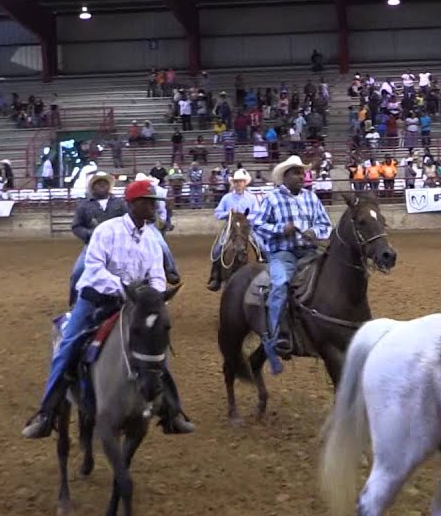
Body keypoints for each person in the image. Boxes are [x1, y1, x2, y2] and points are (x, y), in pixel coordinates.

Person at [22, 179, 193, 439]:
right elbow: (94, 268)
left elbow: (157, 273)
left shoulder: (151, 238)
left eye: (153, 203)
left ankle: (172, 411)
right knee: (68, 346)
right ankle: (47, 413)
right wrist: (124, 288)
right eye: (148, 203)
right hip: (96, 300)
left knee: (156, 346)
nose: (153, 208)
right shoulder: (106, 231)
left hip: (133, 302)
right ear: (132, 204)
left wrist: (153, 298)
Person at [251, 155, 332, 374]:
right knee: (280, 285)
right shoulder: (272, 198)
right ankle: (277, 336)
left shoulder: (311, 198)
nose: (301, 176)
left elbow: (326, 224)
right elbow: (256, 223)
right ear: (284, 177)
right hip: (282, 253)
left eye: (301, 172)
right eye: (295, 173)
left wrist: (313, 231)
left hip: (309, 252)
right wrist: (280, 229)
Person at [67, 172, 128, 306]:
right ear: (92, 187)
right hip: (93, 247)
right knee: (77, 273)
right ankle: (74, 304)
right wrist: (89, 234)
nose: (102, 185)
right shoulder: (83, 205)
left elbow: (128, 222)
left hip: (118, 246)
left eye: (105, 183)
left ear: (109, 186)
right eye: (98, 183)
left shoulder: (120, 203)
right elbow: (76, 226)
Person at [207, 169, 262, 291]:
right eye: (236, 182)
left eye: (241, 182)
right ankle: (215, 277)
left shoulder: (251, 198)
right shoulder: (227, 198)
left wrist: (245, 217)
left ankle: (266, 270)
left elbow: (258, 213)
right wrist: (228, 214)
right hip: (230, 228)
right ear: (233, 183)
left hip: (247, 227)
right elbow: (217, 213)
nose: (238, 184)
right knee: (217, 249)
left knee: (261, 245)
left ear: (245, 183)